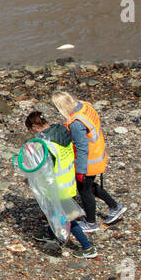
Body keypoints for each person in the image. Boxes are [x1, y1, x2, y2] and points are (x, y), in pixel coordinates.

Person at [25, 110, 96, 257]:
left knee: (68, 216)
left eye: (31, 130)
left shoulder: (45, 144)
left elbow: (44, 168)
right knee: (55, 211)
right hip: (69, 180)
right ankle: (51, 234)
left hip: (57, 185)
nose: (33, 133)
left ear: (35, 127)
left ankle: (87, 247)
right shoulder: (62, 131)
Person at [51, 91, 126, 231]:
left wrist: (80, 170)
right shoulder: (84, 106)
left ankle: (91, 223)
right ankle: (115, 207)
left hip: (89, 161)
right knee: (90, 185)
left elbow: (82, 148)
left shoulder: (75, 123)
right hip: (98, 153)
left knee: (85, 190)